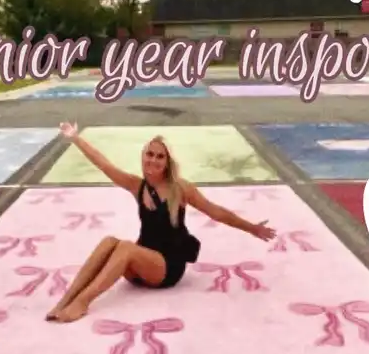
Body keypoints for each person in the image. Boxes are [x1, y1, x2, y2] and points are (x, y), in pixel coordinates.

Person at [45, 122, 277, 323]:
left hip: (166, 267)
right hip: (140, 265)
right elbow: (104, 164)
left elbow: (215, 211)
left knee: (125, 247)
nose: (153, 160)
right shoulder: (137, 185)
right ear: (143, 157)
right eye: (150, 154)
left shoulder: (181, 188)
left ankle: (83, 302)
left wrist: (252, 228)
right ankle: (66, 300)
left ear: (167, 162)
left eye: (160, 156)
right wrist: (75, 138)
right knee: (109, 242)